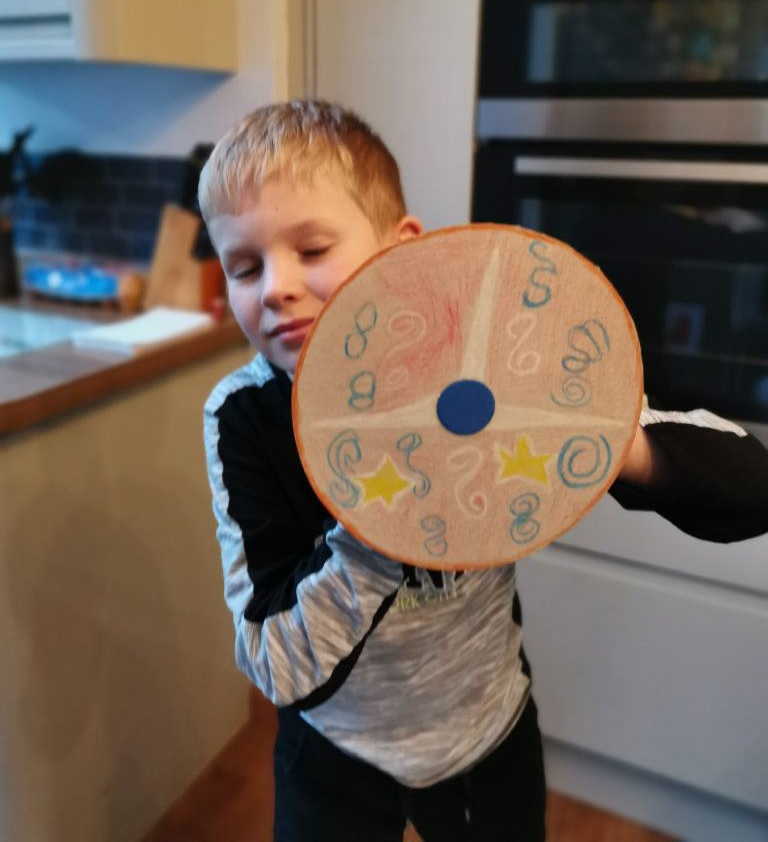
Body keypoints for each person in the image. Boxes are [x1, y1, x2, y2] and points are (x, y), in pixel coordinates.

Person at [198, 99, 768, 842]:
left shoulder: (484, 368)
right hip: (334, 754)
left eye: (310, 250)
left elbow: (752, 485)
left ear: (404, 250)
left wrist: (603, 439)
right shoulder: (242, 417)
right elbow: (275, 661)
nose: (274, 287)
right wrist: (382, 526)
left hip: (486, 735)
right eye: (244, 266)